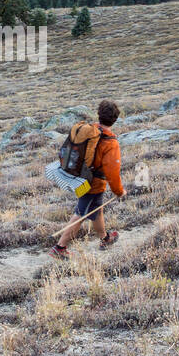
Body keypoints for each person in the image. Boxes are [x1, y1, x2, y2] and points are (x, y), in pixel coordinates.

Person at [50, 99, 124, 260]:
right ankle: (59, 248)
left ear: (99, 114)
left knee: (97, 209)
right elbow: (112, 172)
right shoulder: (110, 142)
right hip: (93, 183)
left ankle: (105, 238)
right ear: (115, 119)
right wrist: (119, 191)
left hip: (83, 177)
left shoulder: (91, 131)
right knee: (81, 213)